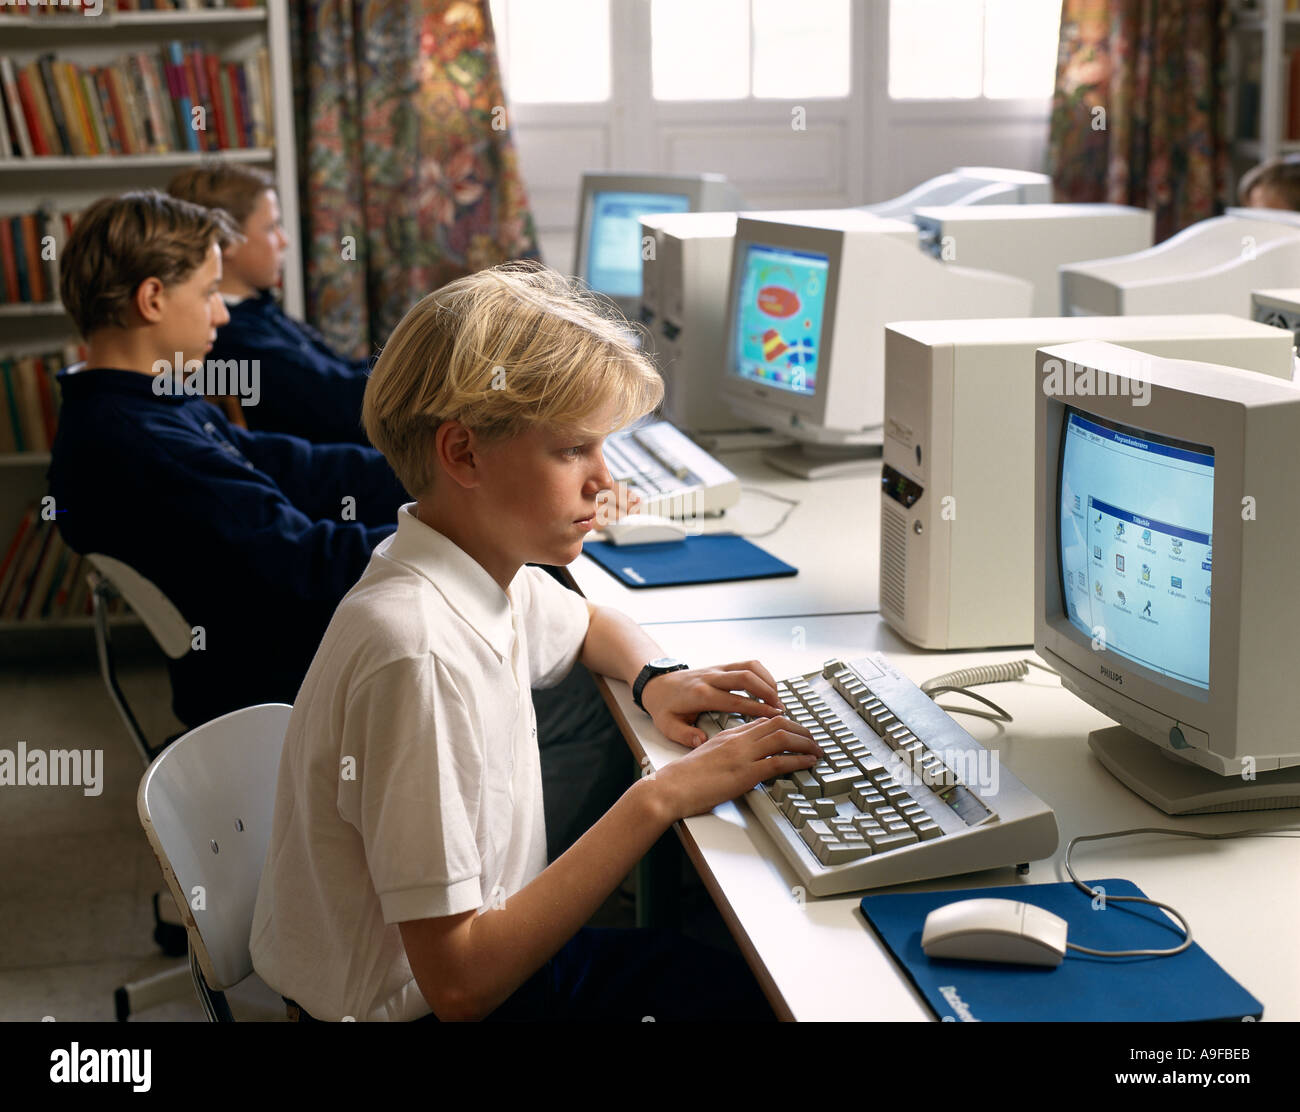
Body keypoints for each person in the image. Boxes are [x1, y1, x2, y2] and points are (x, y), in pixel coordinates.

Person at [250, 263, 822, 1021]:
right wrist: (657, 799)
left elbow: (587, 623)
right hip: (444, 1003)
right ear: (463, 455)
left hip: (483, 968)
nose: (604, 480)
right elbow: (456, 985)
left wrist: (655, 678)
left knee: (727, 979)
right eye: (571, 451)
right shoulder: (416, 654)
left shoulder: (466, 563)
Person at [49, 189, 409, 729]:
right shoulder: (139, 442)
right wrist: (463, 531)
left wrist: (436, 479)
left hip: (272, 647)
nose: (221, 314)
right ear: (151, 300)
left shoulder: (139, 401)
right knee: (560, 692)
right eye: (210, 292)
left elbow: (295, 465)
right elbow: (308, 563)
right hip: (280, 681)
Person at [166, 164, 372, 444]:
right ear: (227, 241)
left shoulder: (258, 307)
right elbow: (345, 408)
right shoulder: (231, 338)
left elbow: (341, 372)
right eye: (271, 227)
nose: (284, 241)